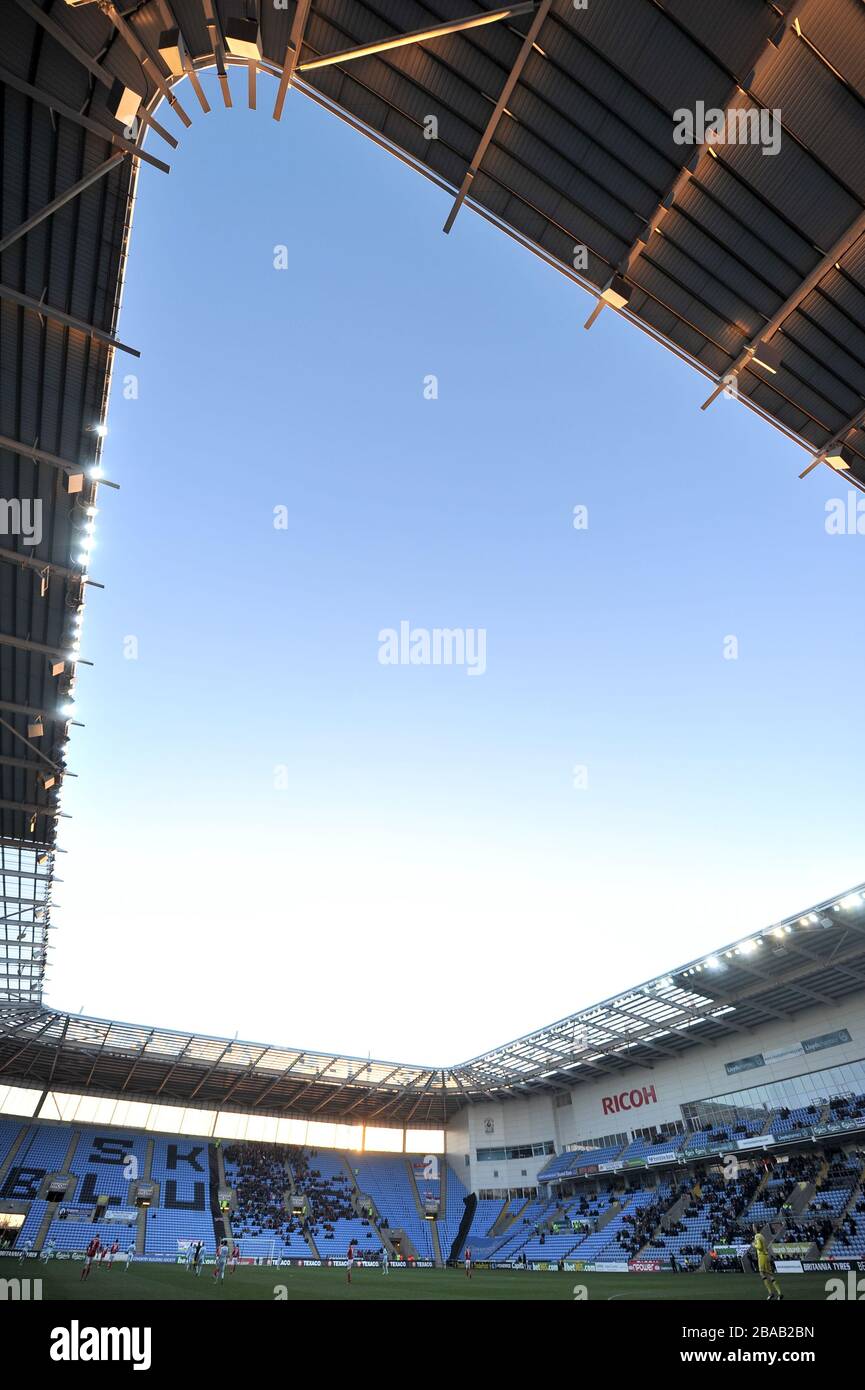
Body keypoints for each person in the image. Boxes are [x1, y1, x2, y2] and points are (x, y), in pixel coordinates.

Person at [753, 1229, 783, 1301]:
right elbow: (765, 1247)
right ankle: (779, 1293)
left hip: (761, 1256)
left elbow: (759, 1247)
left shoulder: (757, 1236)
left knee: (762, 1273)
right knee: (770, 1275)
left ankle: (770, 1293)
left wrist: (754, 1245)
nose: (752, 1228)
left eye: (753, 1227)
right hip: (766, 1255)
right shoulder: (762, 1236)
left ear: (755, 1229)